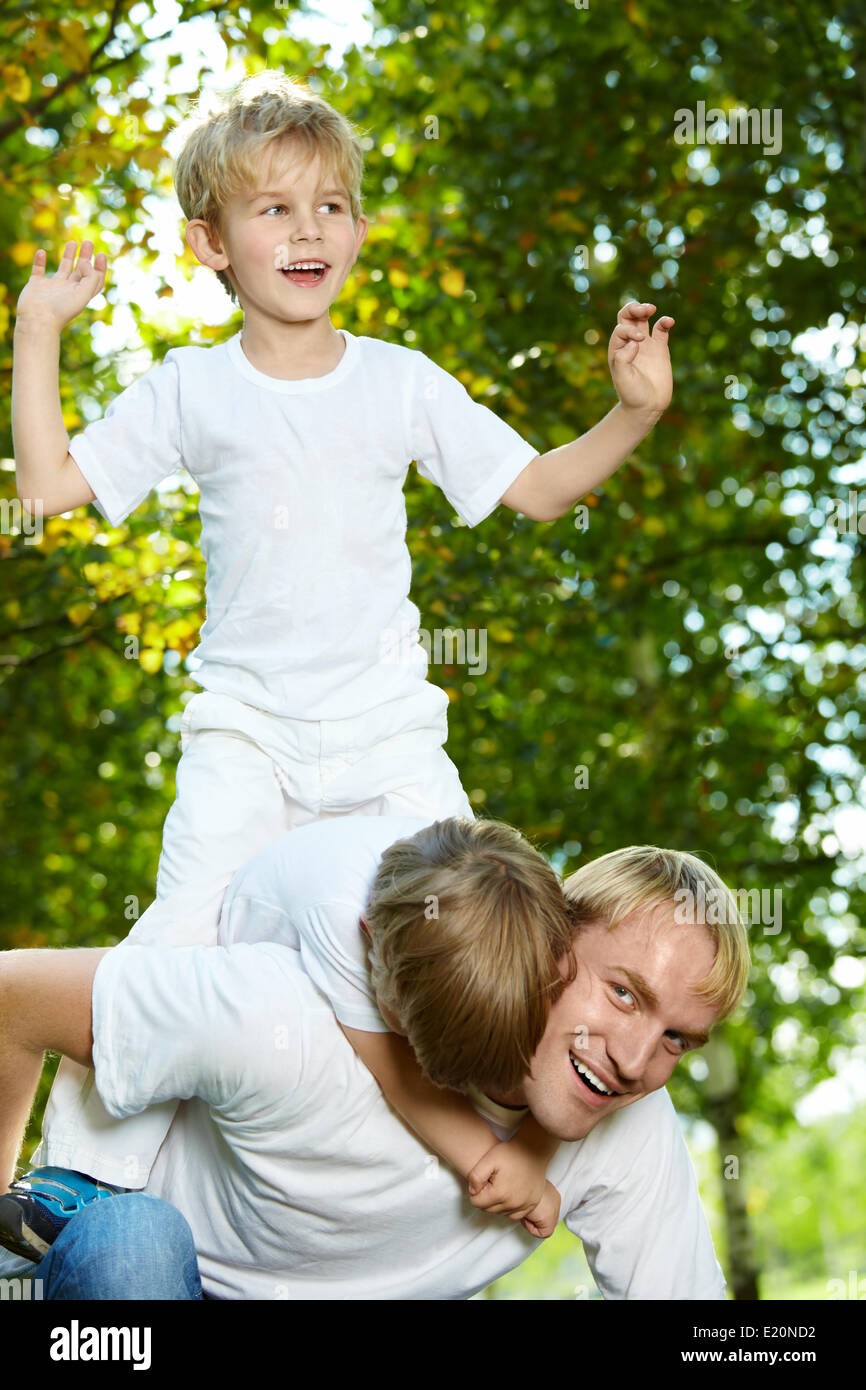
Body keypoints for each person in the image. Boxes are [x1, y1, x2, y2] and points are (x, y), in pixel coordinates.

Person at [9, 67, 675, 1244]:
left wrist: (627, 415)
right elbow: (54, 487)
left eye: (330, 206)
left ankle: (515, 1135)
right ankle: (79, 1184)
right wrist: (38, 329)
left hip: (383, 731)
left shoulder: (399, 383)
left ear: (359, 229)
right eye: (274, 209)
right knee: (179, 935)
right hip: (247, 731)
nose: (307, 228)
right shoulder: (190, 387)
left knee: (487, 932)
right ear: (211, 243)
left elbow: (528, 489)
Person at [0, 816, 750, 1299]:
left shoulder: (633, 1126)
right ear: (552, 947)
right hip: (163, 1281)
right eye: (623, 994)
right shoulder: (286, 1017)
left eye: (677, 1040)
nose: (635, 1060)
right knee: (134, 1242)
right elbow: (13, 997)